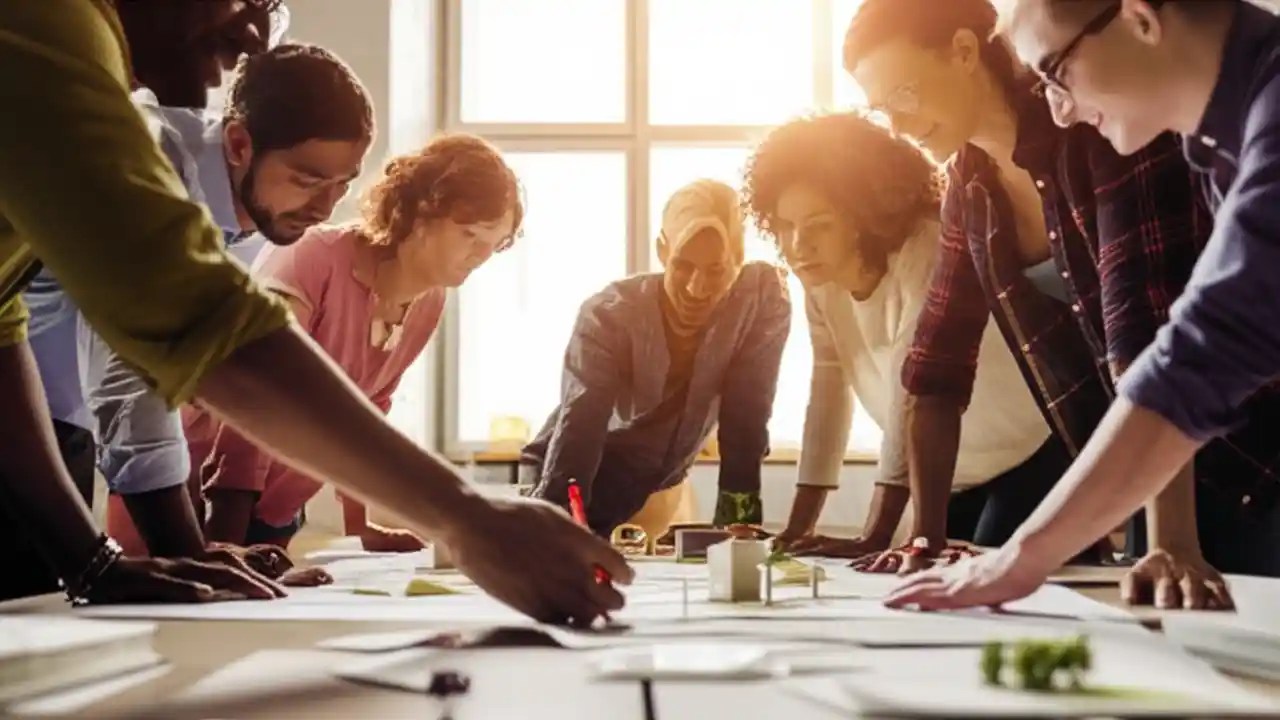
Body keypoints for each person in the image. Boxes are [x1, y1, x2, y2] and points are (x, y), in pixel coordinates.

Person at [0, 0, 631, 623]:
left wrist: (90, 561)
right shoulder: (48, 27)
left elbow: (7, 331)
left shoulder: (243, 206)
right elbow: (197, 327)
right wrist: (468, 518)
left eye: (270, 6)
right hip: (106, 457)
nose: (255, 36)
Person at [840, 0, 1274, 608]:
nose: (1057, 105)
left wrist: (1026, 558)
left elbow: (1178, 348)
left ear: (1140, 20)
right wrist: (928, 538)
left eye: (1055, 73)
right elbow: (933, 369)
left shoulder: (1146, 130)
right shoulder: (1214, 140)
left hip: (1246, 463)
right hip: (1157, 456)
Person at [67, 43, 376, 561]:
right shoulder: (159, 166)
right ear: (238, 143)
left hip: (51, 430)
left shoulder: (251, 222)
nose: (325, 208)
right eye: (308, 180)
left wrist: (214, 554)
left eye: (342, 185)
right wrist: (198, 560)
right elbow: (136, 382)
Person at [746, 111, 1057, 566]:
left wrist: (874, 534)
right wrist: (798, 528)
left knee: (996, 581)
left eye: (818, 225)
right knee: (925, 581)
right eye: (785, 226)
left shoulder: (925, 250)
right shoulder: (821, 284)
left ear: (859, 215)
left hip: (1034, 459)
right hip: (949, 477)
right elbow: (828, 397)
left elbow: (909, 392)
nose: (797, 245)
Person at [193, 133, 521, 552]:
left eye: (496, 244)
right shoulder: (313, 256)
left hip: (278, 506)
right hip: (203, 500)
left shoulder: (430, 299)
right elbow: (257, 393)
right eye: (471, 235)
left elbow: (369, 409)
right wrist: (227, 541)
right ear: (421, 212)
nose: (481, 255)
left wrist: (359, 526)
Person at [523, 179, 791, 540]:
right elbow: (582, 424)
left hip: (650, 486)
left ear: (739, 259)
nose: (698, 288)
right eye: (683, 265)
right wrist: (558, 520)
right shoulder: (608, 314)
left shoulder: (759, 301)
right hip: (564, 475)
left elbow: (746, 415)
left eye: (716, 270)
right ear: (662, 251)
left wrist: (739, 522)